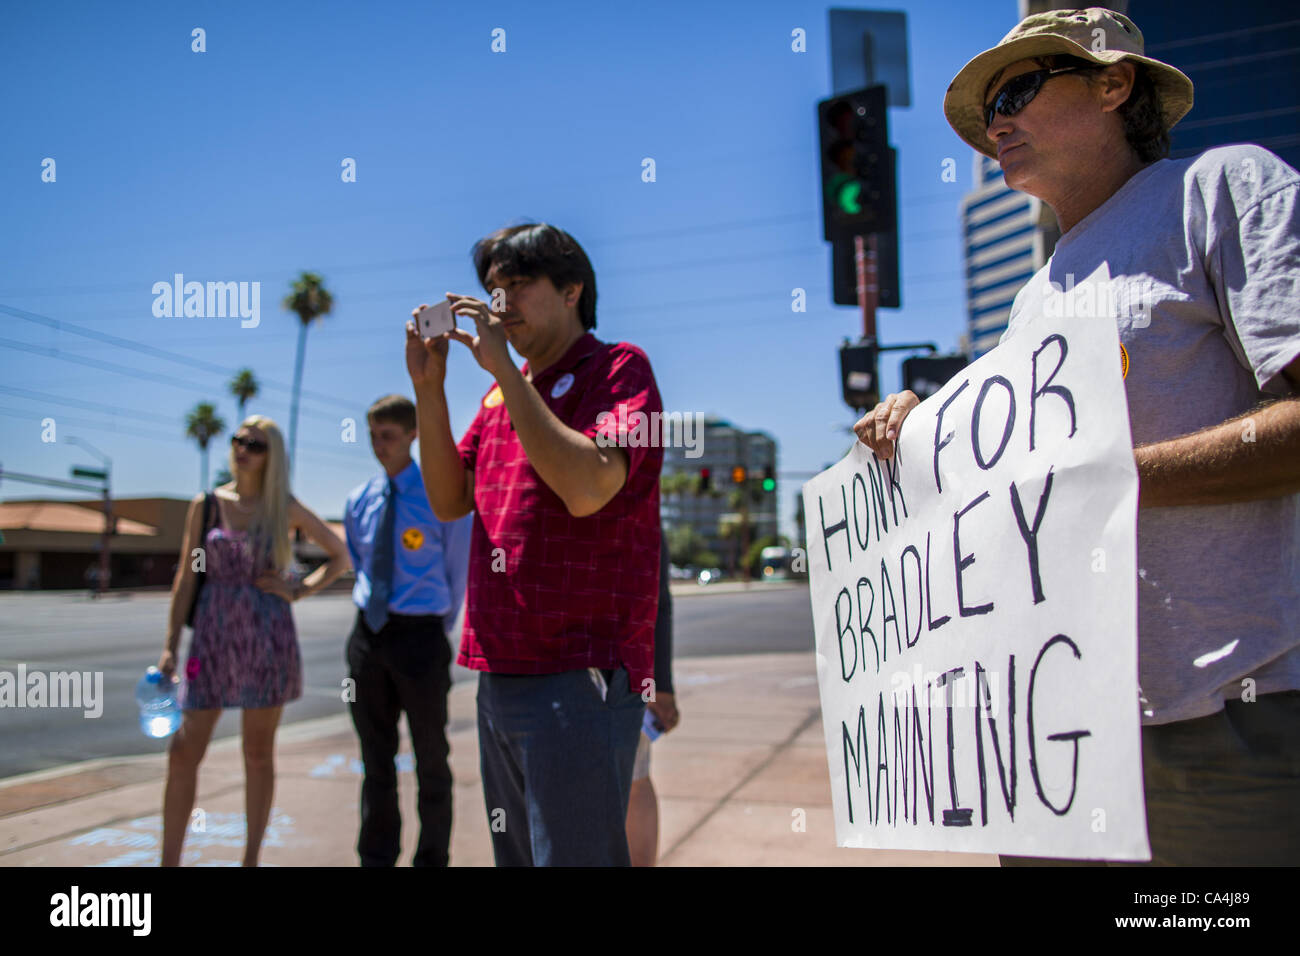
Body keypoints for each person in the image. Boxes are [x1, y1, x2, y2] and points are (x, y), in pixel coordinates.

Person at [858, 7, 1300, 866]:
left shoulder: (1221, 191)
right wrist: (926, 433)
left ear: (1113, 82)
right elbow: (1015, 494)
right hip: (1055, 739)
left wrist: (1108, 480)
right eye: (989, 110)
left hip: (1223, 719)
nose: (995, 124)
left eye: (1018, 88)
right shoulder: (1032, 303)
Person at [405, 222, 664, 866]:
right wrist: (428, 389)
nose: (500, 304)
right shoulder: (499, 394)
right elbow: (447, 499)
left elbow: (587, 486)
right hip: (501, 672)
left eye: (518, 285)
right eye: (493, 289)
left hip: (580, 670)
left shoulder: (617, 368)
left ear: (573, 288)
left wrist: (508, 376)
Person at [159, 415, 350, 866]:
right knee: (184, 749)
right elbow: (188, 575)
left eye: (256, 444)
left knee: (258, 753)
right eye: (239, 440)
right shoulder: (206, 504)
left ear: (272, 456)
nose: (243, 448)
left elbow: (339, 555)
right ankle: (168, 861)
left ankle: (250, 860)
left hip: (268, 638)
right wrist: (170, 644)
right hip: (210, 638)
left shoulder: (282, 505)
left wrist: (299, 589)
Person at [343, 395, 472, 867]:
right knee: (376, 759)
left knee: (431, 759)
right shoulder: (360, 500)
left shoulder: (441, 495)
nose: (379, 446)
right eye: (373, 435)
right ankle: (376, 856)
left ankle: (432, 857)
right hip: (369, 636)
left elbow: (457, 566)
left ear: (412, 435)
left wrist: (439, 622)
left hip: (421, 636)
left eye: (389, 436)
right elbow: (360, 562)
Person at [626, 530, 680, 866]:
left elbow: (656, 591)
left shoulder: (632, 484)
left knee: (634, 778)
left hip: (618, 653)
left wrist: (660, 683)